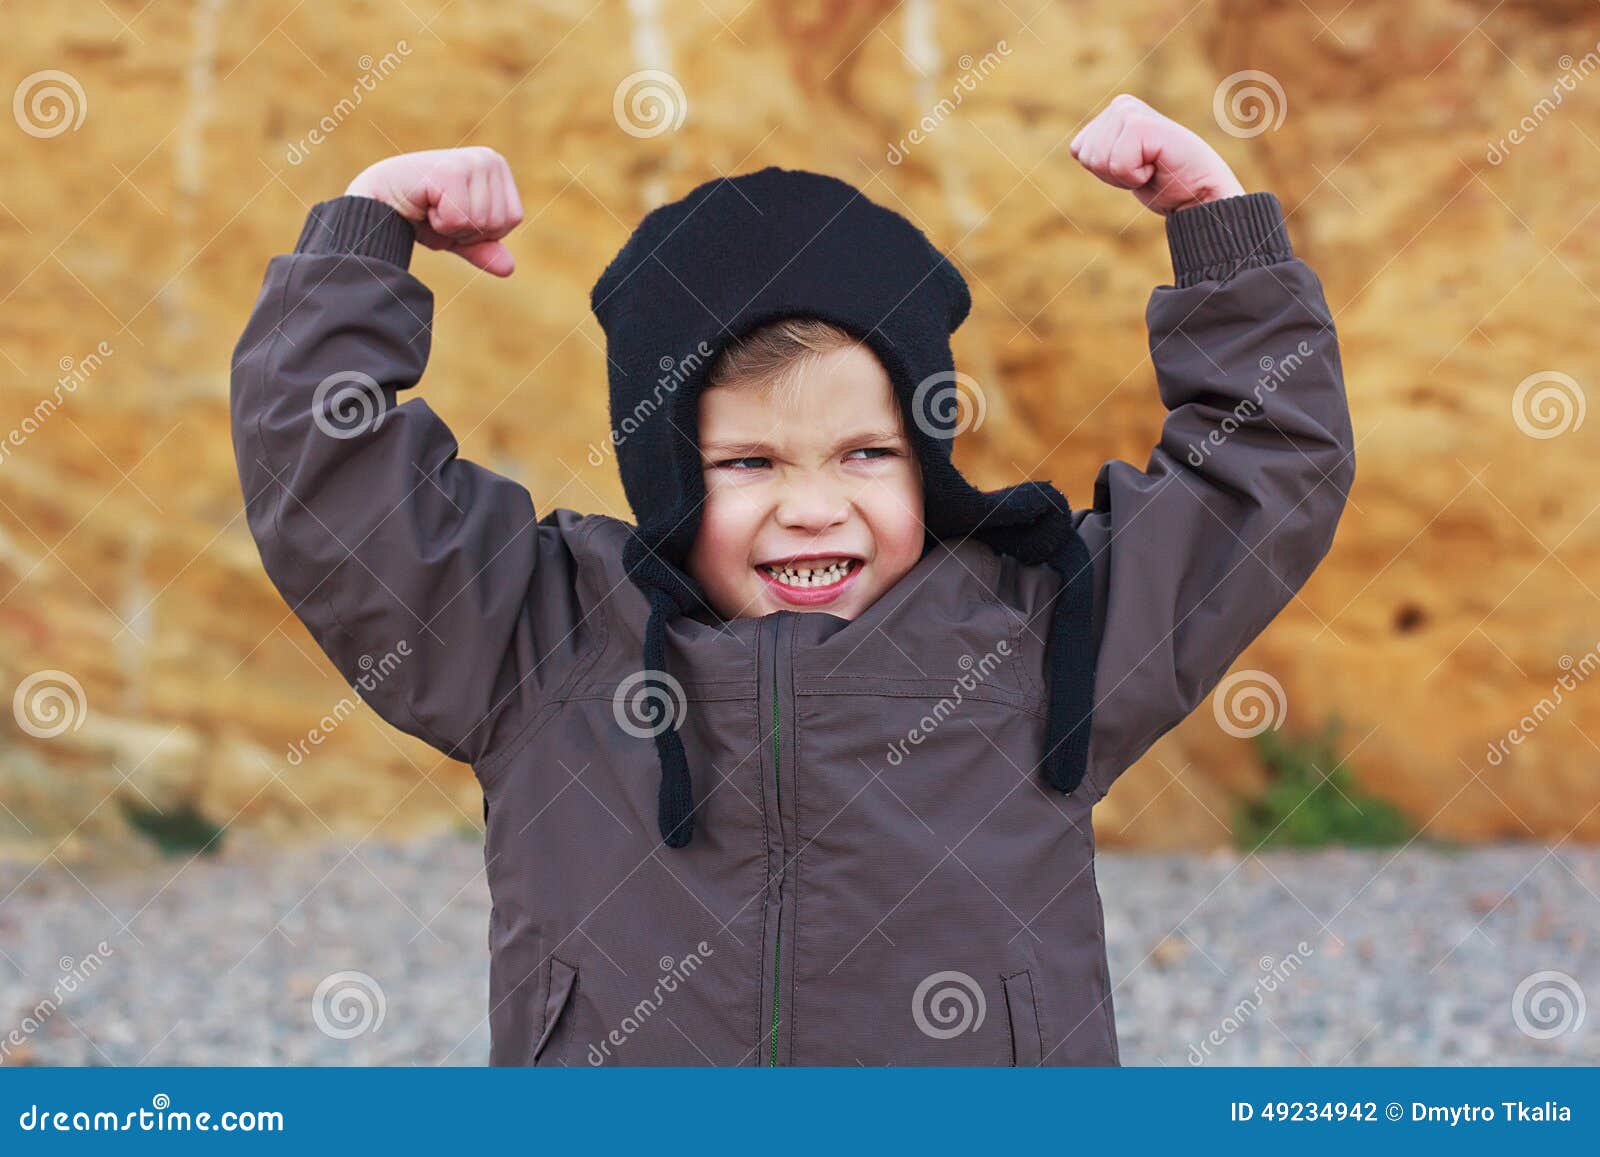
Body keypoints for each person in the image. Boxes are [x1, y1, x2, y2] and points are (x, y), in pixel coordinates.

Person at [230, 94, 1355, 1065]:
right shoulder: (541, 639)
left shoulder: (1048, 629)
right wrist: (367, 229)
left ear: (928, 455)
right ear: (669, 471)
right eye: (748, 463)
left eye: (866, 454)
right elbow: (327, 476)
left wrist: (1214, 223)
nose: (813, 505)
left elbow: (1263, 466)